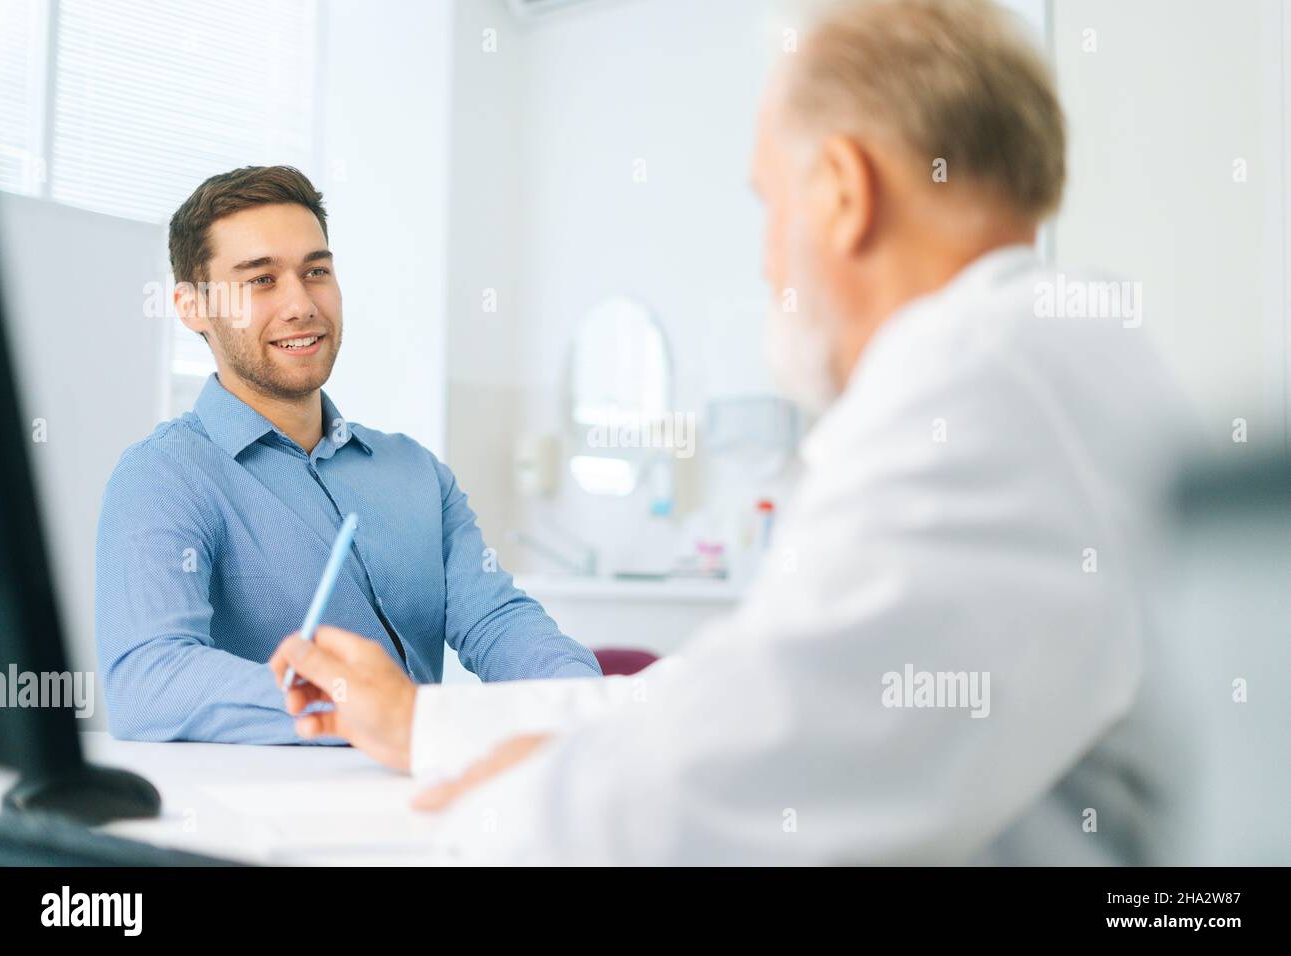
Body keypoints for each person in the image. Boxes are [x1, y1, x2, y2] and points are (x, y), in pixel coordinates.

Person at [270, 0, 1189, 862]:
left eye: (766, 201)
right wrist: (424, 724)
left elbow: (754, 771)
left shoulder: (977, 381)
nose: (763, 254)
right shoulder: (1054, 348)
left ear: (841, 191)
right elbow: (733, 697)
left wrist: (483, 807)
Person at [96, 166, 601, 746]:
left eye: (316, 272)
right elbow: (148, 682)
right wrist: (361, 708)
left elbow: (497, 622)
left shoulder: (414, 472)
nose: (300, 304)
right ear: (190, 306)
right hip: (272, 819)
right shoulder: (163, 475)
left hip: (422, 796)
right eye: (261, 281)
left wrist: (586, 703)